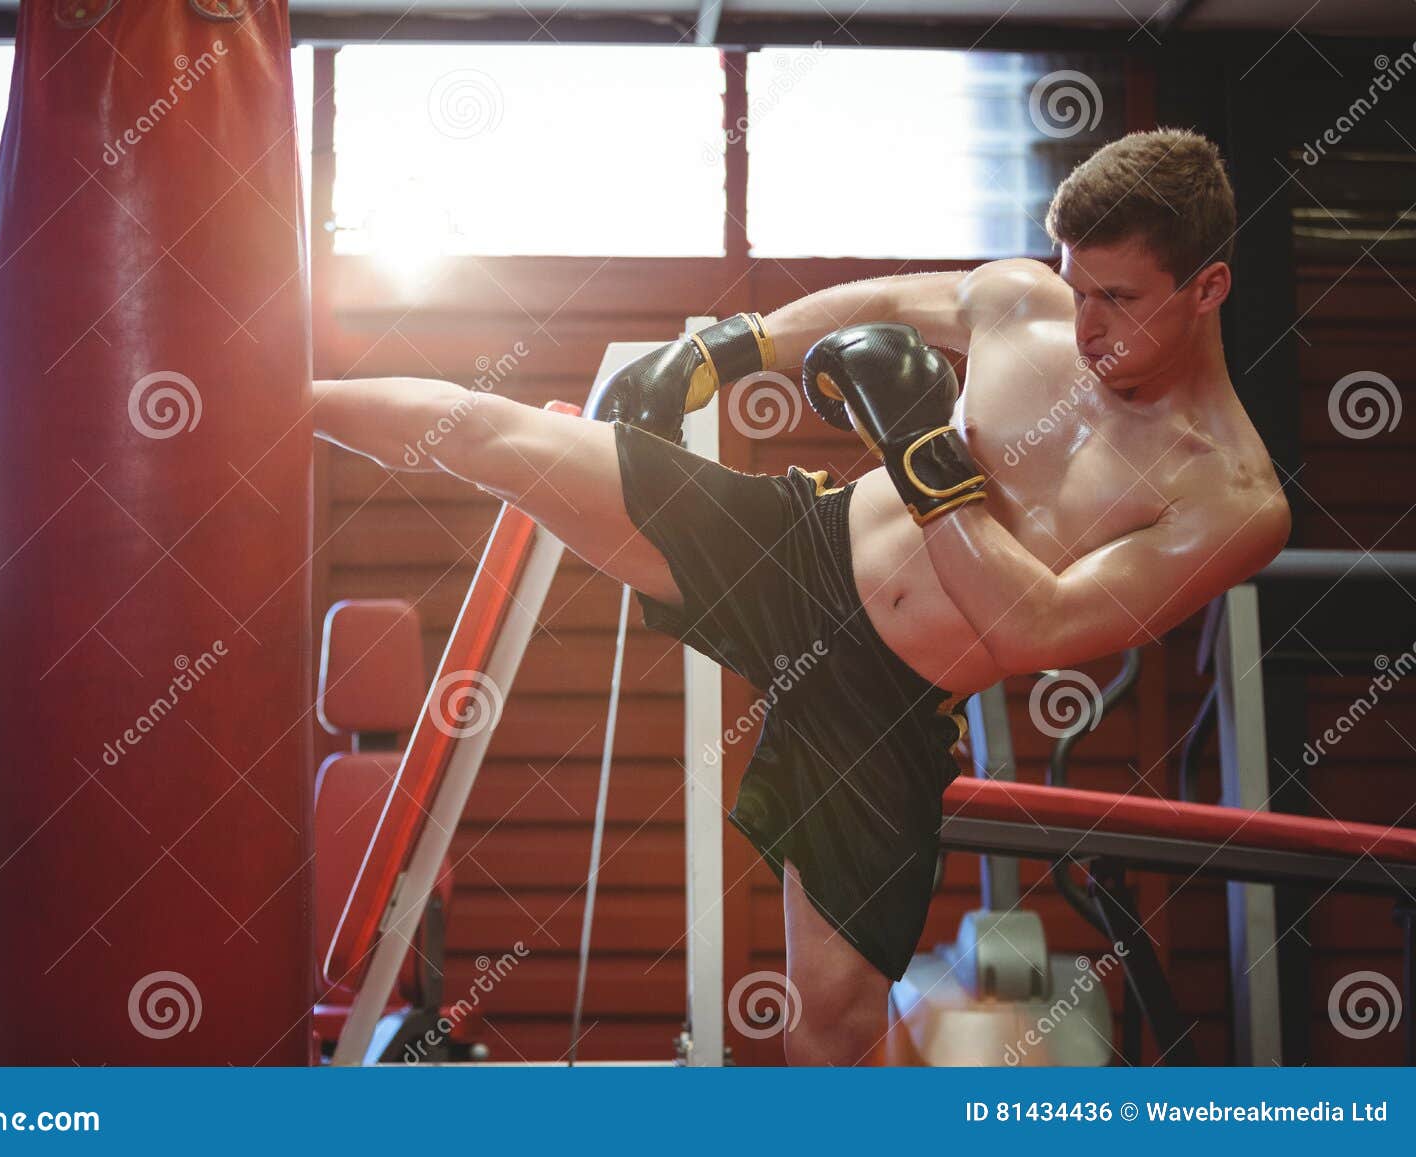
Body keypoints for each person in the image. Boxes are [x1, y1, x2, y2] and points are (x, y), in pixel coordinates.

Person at [311, 128, 1292, 1065]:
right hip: (795, 547)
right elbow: (892, 303)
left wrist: (924, 463)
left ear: (1207, 286)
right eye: (1075, 284)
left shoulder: (1227, 497)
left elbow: (1031, 623)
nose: (1084, 326)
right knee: (498, 437)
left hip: (881, 703)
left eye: (1117, 299)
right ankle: (269, 401)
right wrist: (731, 348)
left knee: (826, 1034)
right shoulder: (1022, 303)